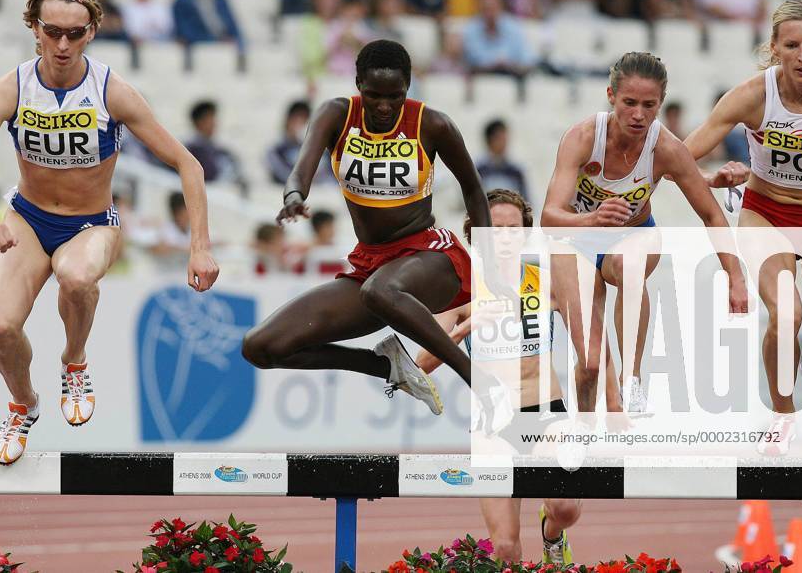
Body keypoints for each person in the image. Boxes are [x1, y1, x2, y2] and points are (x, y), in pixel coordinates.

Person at [0, 0, 219, 466]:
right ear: (33, 28)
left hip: (92, 222)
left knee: (75, 276)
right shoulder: (10, 90)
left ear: (92, 30)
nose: (63, 44)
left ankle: (74, 360)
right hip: (27, 220)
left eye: (75, 33)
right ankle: (24, 404)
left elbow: (188, 164)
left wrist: (200, 245)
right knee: (1, 328)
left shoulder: (113, 91)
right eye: (53, 32)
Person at [241, 40, 493, 415]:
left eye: (396, 96)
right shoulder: (337, 115)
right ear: (358, 84)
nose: (385, 107)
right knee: (260, 347)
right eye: (374, 95)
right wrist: (293, 195)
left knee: (380, 290)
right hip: (372, 267)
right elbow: (301, 167)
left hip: (431, 258)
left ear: (408, 88)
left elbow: (473, 189)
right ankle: (385, 365)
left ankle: (479, 381)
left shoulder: (432, 123)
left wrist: (490, 264)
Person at [684, 0, 802, 455]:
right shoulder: (752, 95)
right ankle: (782, 413)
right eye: (791, 46)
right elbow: (680, 155)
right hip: (767, 213)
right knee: (787, 315)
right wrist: (712, 177)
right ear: (774, 49)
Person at [542, 52, 748, 416]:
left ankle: (631, 381)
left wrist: (735, 276)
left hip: (633, 234)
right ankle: (586, 432)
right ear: (611, 96)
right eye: (629, 103)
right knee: (590, 364)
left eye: (649, 105)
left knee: (631, 266)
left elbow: (712, 215)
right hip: (574, 237)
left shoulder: (666, 148)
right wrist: (593, 219)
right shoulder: (583, 137)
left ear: (660, 104)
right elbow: (549, 218)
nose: (638, 114)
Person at [415, 189, 581, 564]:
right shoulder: (459, 288)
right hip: (491, 422)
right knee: (505, 548)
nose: (504, 237)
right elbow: (421, 362)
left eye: (512, 229)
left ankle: (552, 536)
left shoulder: (546, 277)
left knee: (565, 507)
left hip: (547, 412)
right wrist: (463, 329)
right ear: (477, 234)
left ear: (524, 233)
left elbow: (586, 337)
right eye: (495, 229)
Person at [475, 119, 529, 199]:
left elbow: (526, 200)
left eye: (505, 138)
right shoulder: (478, 170)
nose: (504, 142)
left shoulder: (516, 171)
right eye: (500, 138)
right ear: (490, 140)